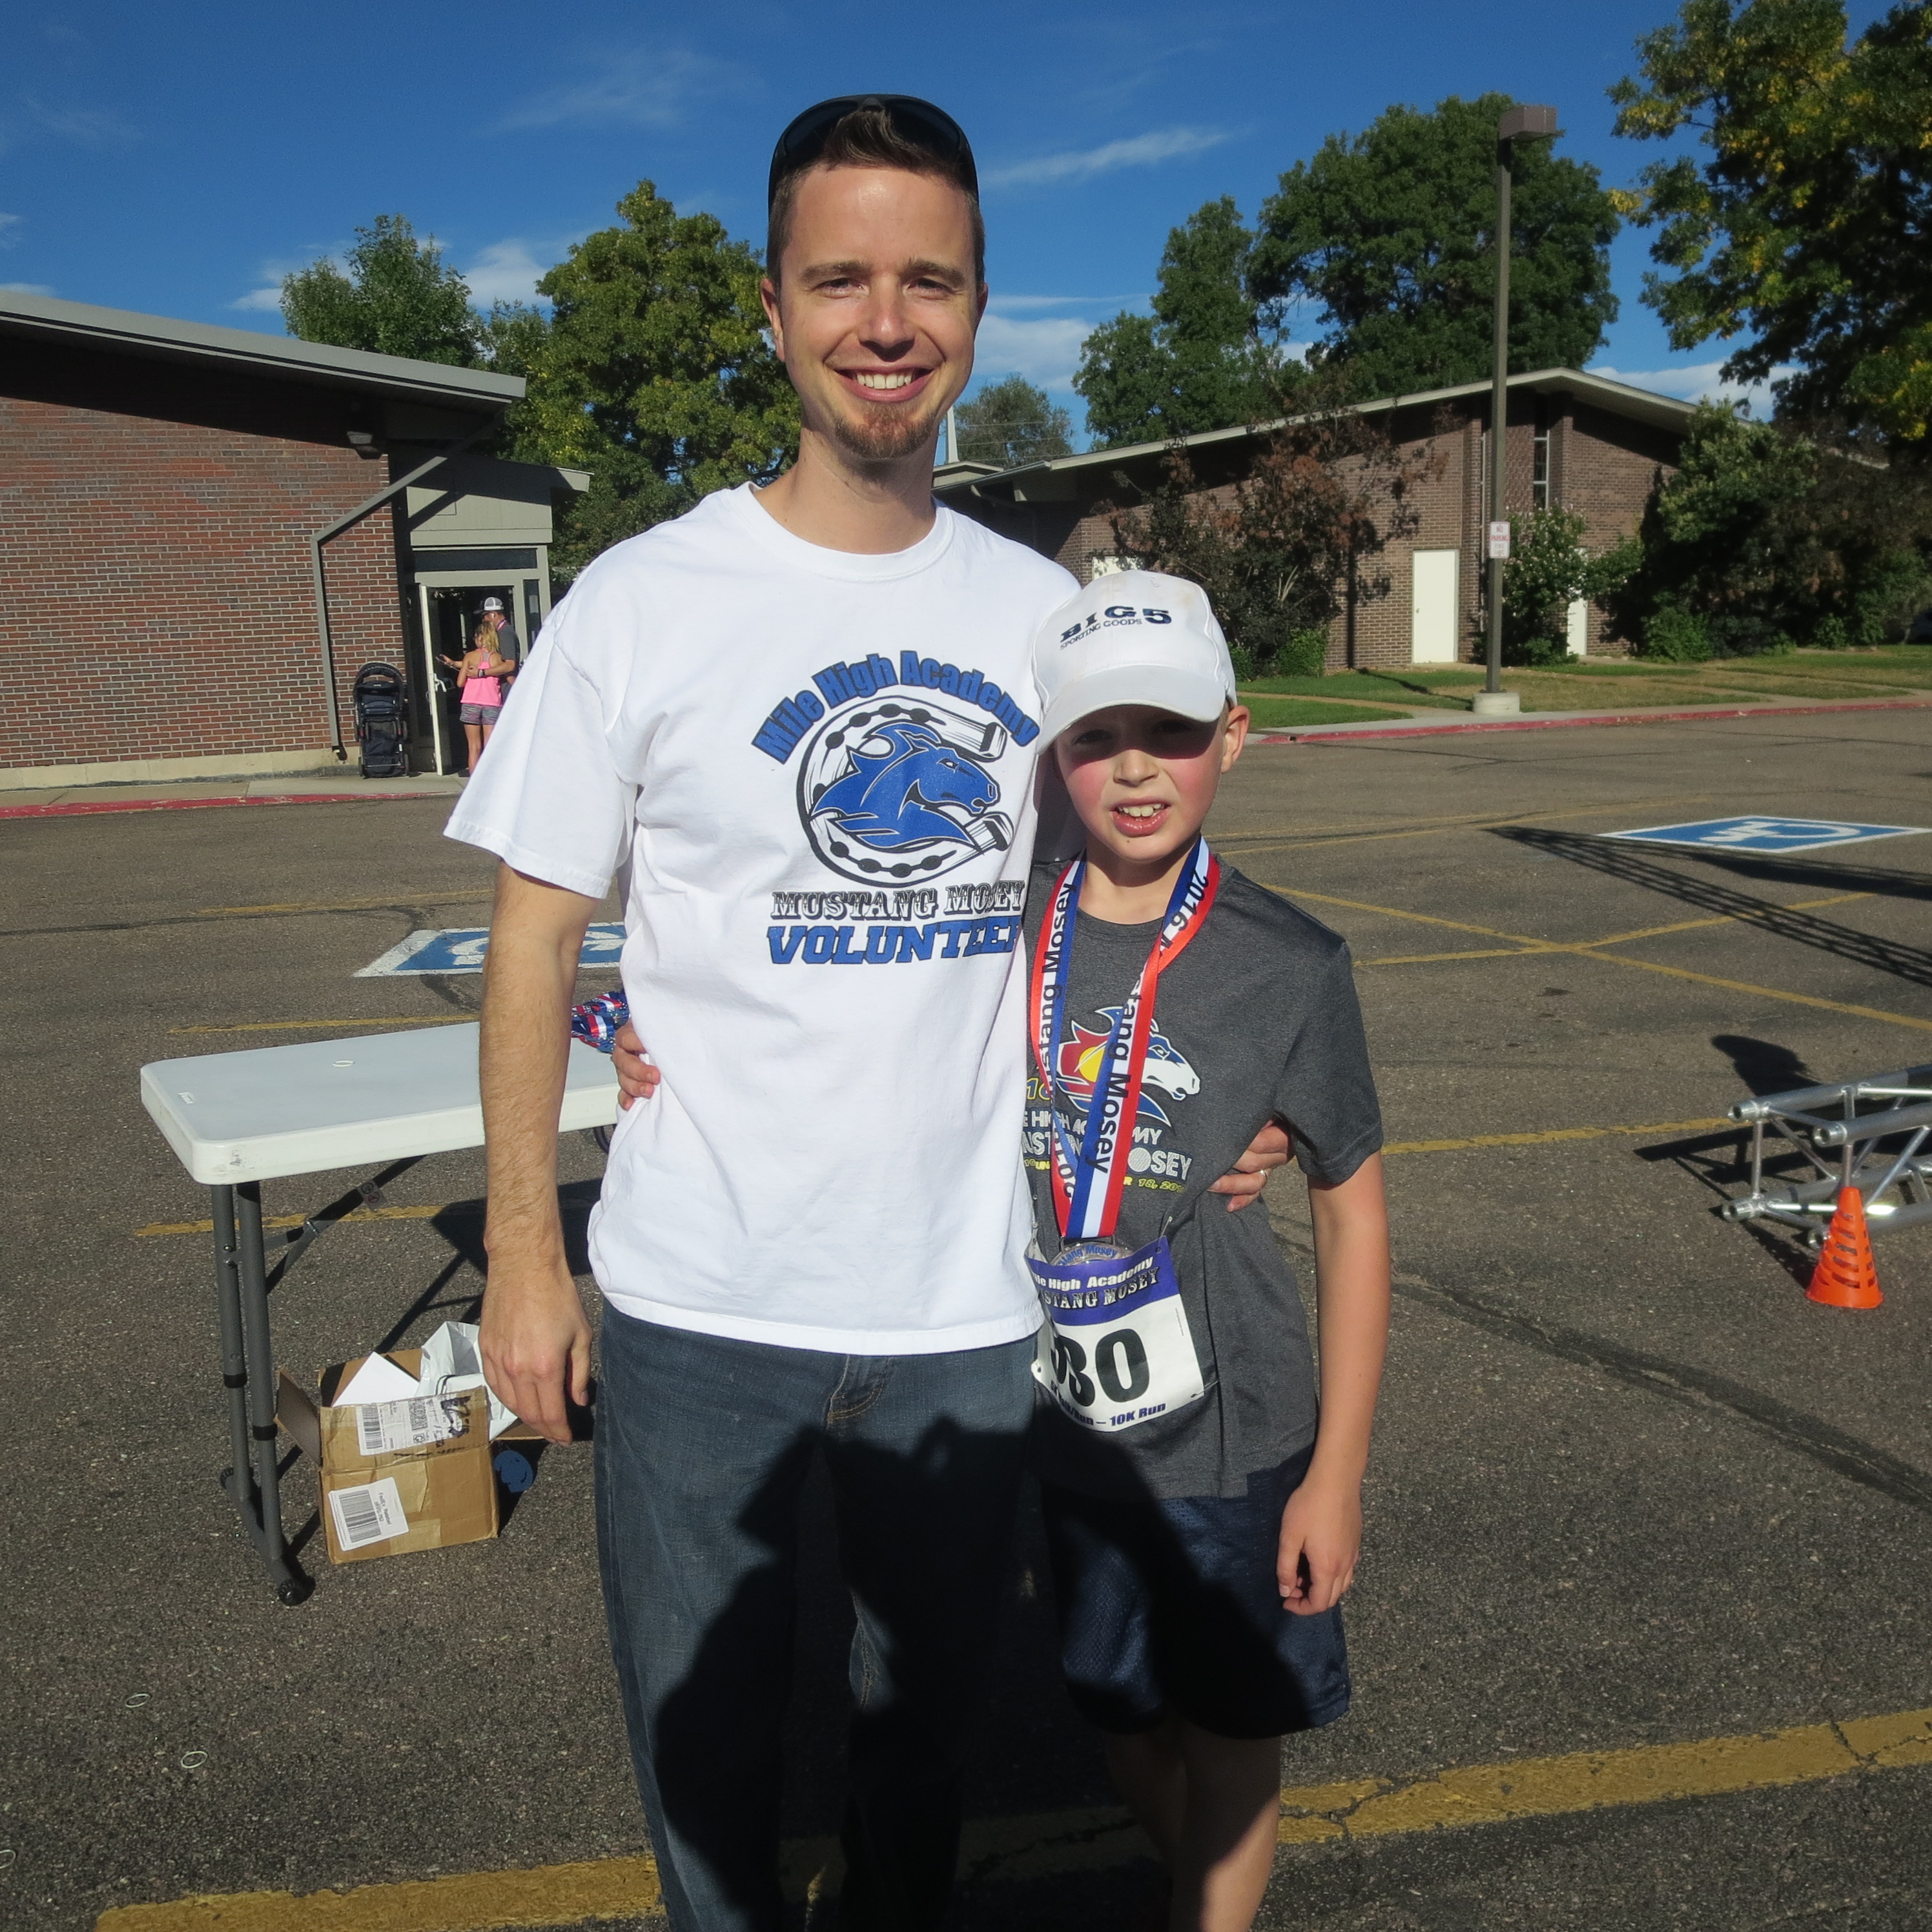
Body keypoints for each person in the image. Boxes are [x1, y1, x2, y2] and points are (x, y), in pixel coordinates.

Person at [446, 96, 1285, 1932]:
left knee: (923, 1755)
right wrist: (526, 1250)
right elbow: (535, 931)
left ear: (981, 308)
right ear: (774, 308)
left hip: (967, 1305)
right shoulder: (640, 605)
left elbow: (1118, 904)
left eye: (929, 278)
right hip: (691, 1301)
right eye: (841, 277)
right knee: (705, 1755)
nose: (884, 320)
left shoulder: (1040, 614)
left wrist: (1240, 1099)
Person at [1022, 570, 1391, 1932]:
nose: (1133, 768)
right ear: (1056, 755)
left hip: (1239, 1435)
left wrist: (1335, 1474)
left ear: (1230, 736)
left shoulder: (1285, 961)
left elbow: (1352, 1205)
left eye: (1169, 732)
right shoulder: (1001, 937)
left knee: (1237, 1724)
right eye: (1094, 736)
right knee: (1116, 1712)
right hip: (1064, 1429)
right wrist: (637, 1031)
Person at [438, 621, 512, 771]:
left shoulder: (470, 656)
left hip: (471, 703)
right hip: (492, 703)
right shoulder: (497, 658)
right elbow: (505, 672)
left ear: (479, 638)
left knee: (474, 747)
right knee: (490, 746)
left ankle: (473, 784)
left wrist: (466, 674)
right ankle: (490, 779)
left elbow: (460, 683)